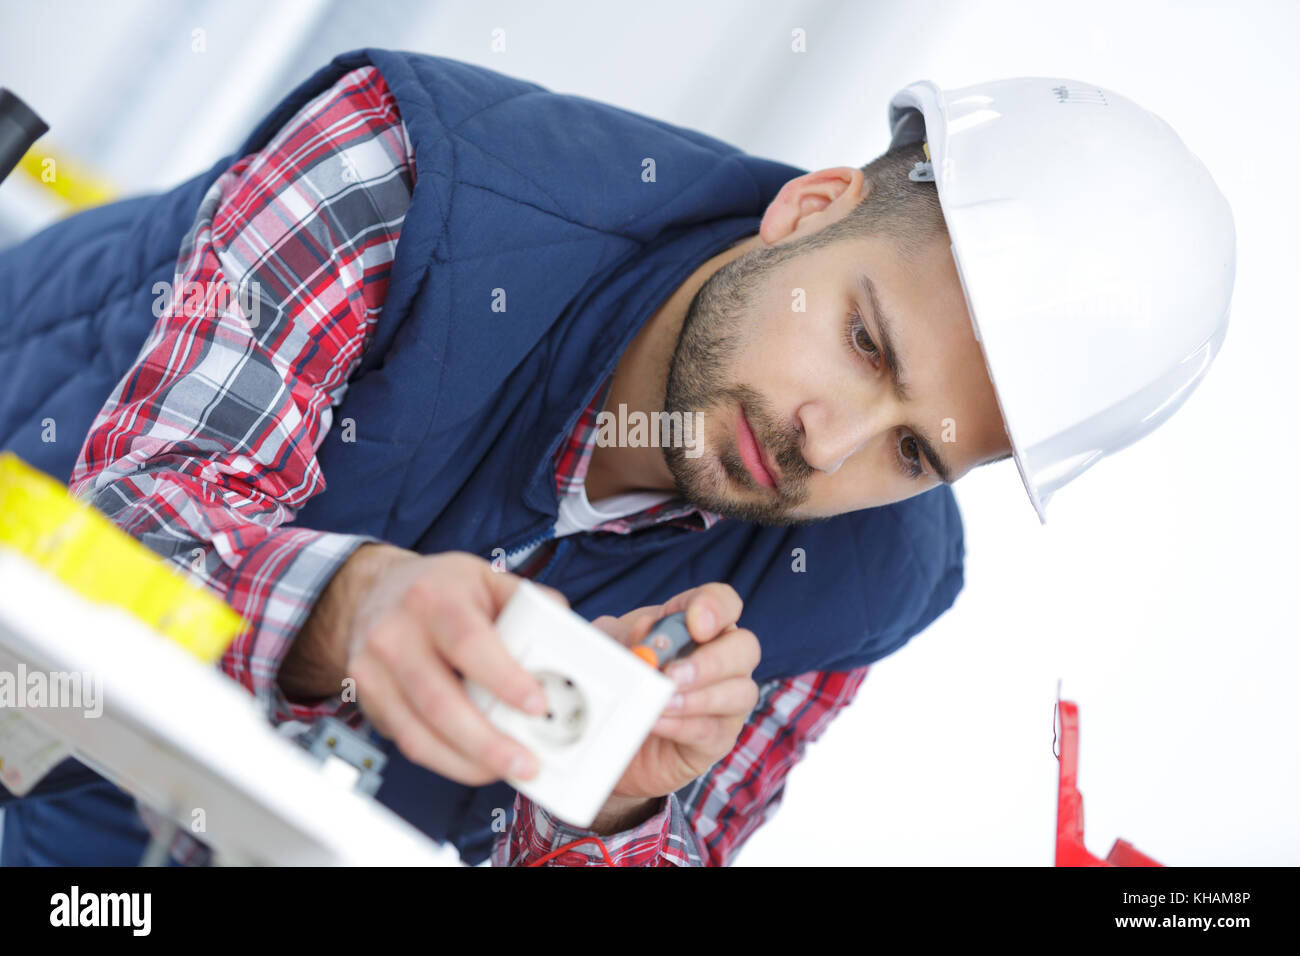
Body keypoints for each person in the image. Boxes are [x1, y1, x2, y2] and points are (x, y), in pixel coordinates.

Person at [0, 49, 1228, 866]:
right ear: (812, 204)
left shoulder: (869, 582)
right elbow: (134, 524)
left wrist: (618, 804)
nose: (831, 443)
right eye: (863, 342)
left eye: (915, 448)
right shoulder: (408, 167)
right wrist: (349, 606)